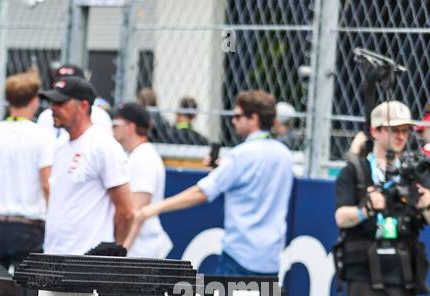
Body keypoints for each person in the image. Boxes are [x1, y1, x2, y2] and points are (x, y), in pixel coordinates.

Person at [131, 90, 292, 277]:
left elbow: (202, 192)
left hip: (239, 258)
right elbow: (254, 181)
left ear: (254, 118)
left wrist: (153, 209)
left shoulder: (241, 155)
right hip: (270, 260)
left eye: (238, 116)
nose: (233, 120)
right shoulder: (284, 155)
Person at [334, 101, 430, 296]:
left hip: (403, 274)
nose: (401, 137)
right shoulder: (356, 171)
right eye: (394, 130)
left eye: (405, 131)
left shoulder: (416, 173)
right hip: (365, 273)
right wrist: (365, 209)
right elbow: (341, 216)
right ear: (376, 131)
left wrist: (426, 205)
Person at [0, 69, 55, 270]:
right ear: (34, 101)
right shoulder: (43, 137)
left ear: (8, 101)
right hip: (29, 226)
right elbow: (47, 185)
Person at [40, 75, 134, 255]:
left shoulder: (102, 145)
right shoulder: (60, 145)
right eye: (52, 103)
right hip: (53, 254)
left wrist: (114, 251)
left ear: (83, 106)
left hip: (86, 261)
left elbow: (127, 211)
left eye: (61, 103)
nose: (53, 108)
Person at [112, 101, 171, 259]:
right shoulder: (136, 155)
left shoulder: (143, 158)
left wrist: (121, 252)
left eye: (117, 123)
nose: (113, 128)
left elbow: (137, 211)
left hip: (140, 249)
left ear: (130, 127)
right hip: (137, 246)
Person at [37, 64, 111, 142]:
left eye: (72, 82)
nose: (66, 84)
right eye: (60, 81)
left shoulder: (100, 116)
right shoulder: (46, 116)